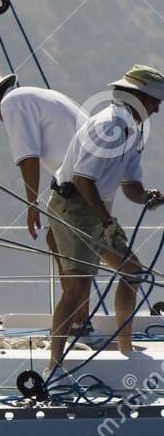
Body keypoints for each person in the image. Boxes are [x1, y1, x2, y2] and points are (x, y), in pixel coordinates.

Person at [46, 65, 164, 370]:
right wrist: (106, 220)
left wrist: (148, 197)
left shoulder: (132, 132)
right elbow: (83, 179)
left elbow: (131, 186)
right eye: (154, 100)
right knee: (77, 288)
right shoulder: (109, 126)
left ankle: (125, 346)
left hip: (96, 209)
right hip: (74, 207)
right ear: (138, 98)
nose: (158, 107)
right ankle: (54, 365)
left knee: (132, 270)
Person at [0, 71, 84, 239]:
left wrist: (32, 205)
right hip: (91, 170)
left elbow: (28, 159)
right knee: (56, 239)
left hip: (81, 178)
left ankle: (128, 265)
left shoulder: (10, 103)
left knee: (84, 244)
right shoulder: (30, 96)